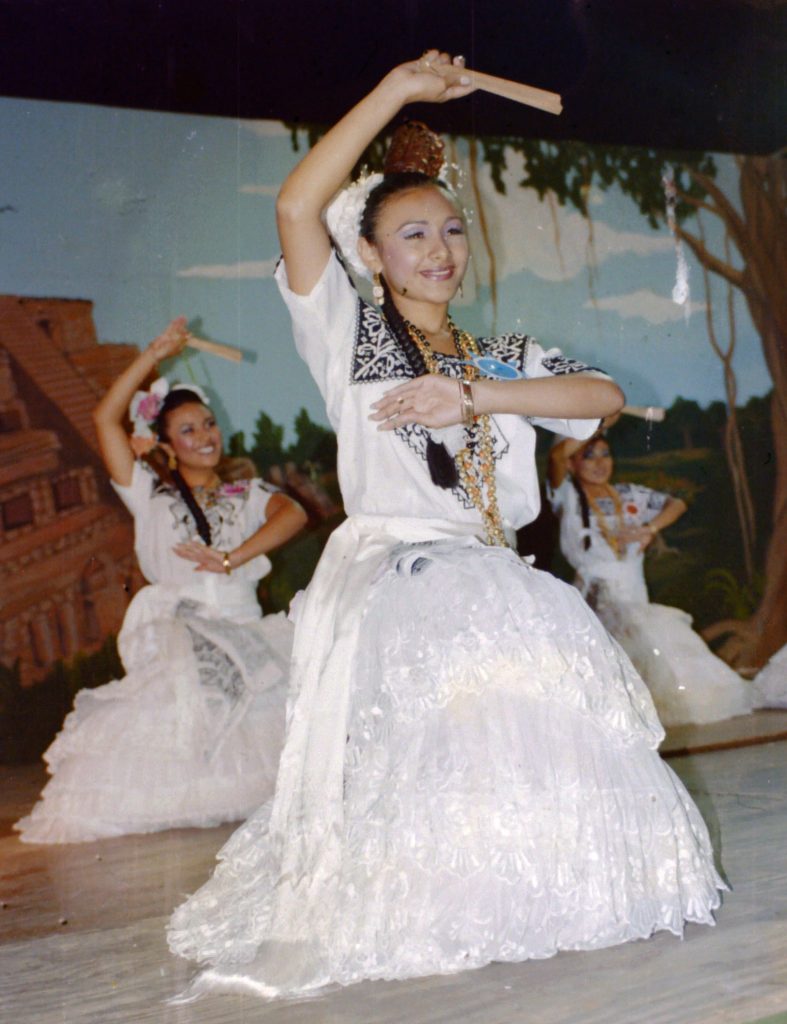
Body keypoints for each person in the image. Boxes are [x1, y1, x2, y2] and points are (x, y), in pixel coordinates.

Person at [167, 53, 724, 999]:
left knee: (527, 729)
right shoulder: (351, 337)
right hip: (398, 573)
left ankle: (528, 896)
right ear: (373, 254)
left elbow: (603, 396)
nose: (440, 249)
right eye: (412, 233)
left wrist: (473, 395)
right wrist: (394, 92)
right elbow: (297, 210)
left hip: (489, 570)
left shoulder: (497, 354)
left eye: (453, 230)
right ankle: (445, 905)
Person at [15, 318, 307, 844]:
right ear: (167, 443)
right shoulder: (149, 494)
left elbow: (294, 516)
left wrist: (229, 558)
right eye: (189, 429)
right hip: (183, 639)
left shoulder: (246, 491)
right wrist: (154, 354)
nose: (205, 436)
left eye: (209, 423)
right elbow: (105, 418)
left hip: (246, 632)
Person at [548, 431, 753, 726]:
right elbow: (555, 456)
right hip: (596, 596)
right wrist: (600, 424)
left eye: (605, 454)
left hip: (635, 594)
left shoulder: (628, 494)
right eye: (588, 456)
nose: (599, 463)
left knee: (659, 654)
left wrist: (650, 529)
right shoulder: (567, 496)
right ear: (572, 465)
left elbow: (678, 503)